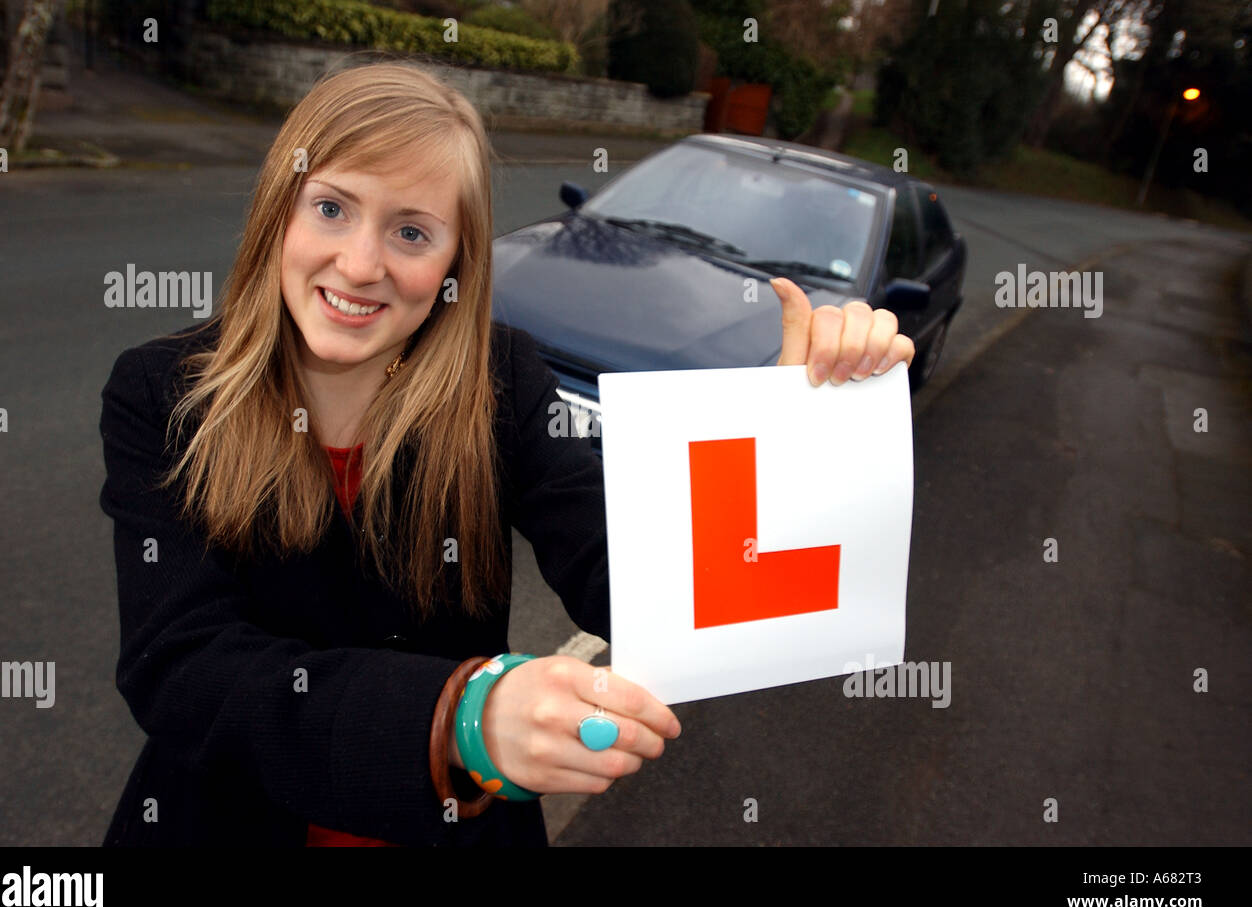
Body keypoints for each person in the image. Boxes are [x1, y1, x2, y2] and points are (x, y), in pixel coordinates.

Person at [97, 61, 915, 847]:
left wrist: (785, 418)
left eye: (411, 231)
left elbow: (645, 587)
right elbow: (184, 666)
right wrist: (461, 716)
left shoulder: (502, 383)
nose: (358, 263)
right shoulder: (163, 393)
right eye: (332, 209)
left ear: (458, 261)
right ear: (280, 207)